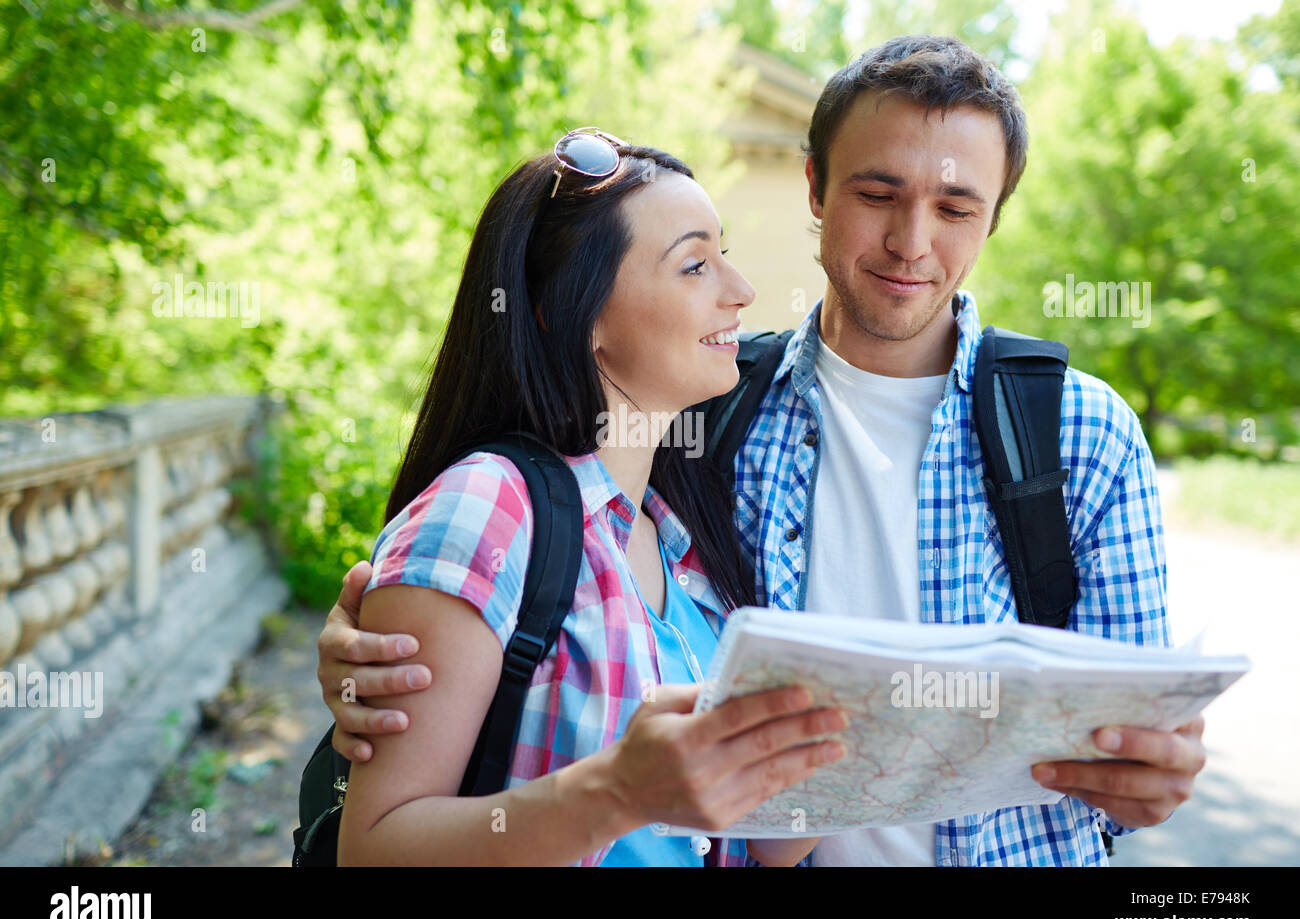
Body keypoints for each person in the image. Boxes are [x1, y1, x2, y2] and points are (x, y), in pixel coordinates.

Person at [318, 38, 1208, 867]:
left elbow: (1132, 761)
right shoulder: (707, 414)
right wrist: (379, 643)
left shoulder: (1080, 434)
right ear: (816, 186)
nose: (911, 242)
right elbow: (505, 574)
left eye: (956, 207)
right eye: (877, 194)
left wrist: (1151, 777)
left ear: (993, 218)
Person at [332, 128, 849, 867]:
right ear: (580, 315)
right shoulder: (488, 507)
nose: (740, 291)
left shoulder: (682, 545)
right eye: (696, 265)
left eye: (724, 257)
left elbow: (771, 842)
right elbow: (375, 850)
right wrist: (616, 791)